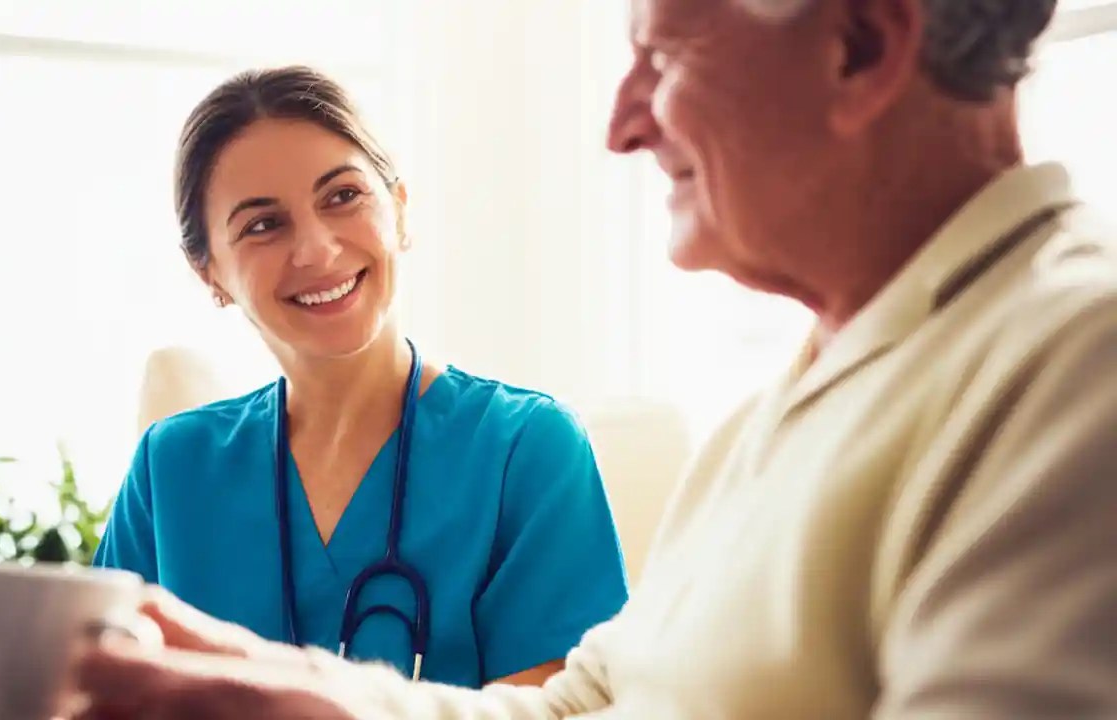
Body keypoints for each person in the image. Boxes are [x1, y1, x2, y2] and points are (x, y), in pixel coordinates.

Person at [69, 0, 1117, 717]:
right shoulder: (785, 409)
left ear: (859, 44)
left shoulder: (1075, 373)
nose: (621, 125)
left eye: (661, 55)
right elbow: (585, 705)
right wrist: (302, 692)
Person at [90, 66, 628, 690]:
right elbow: (98, 691)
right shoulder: (171, 469)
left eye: (343, 196)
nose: (316, 249)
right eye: (263, 224)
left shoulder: (526, 449)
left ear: (399, 210)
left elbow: (565, 707)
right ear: (207, 271)